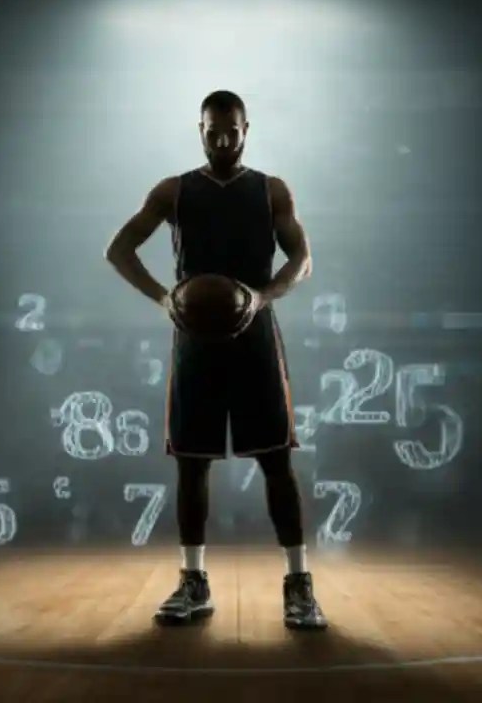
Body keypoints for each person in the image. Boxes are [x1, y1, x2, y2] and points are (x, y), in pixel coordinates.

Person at [104, 90, 327, 630]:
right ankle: (193, 582)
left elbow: (303, 258)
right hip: (196, 339)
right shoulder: (174, 191)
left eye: (232, 131)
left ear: (247, 128)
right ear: (198, 130)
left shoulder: (270, 189)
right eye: (212, 131)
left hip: (255, 334)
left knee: (276, 461)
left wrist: (263, 296)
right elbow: (119, 248)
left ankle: (299, 587)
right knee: (192, 462)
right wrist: (164, 298)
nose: (223, 140)